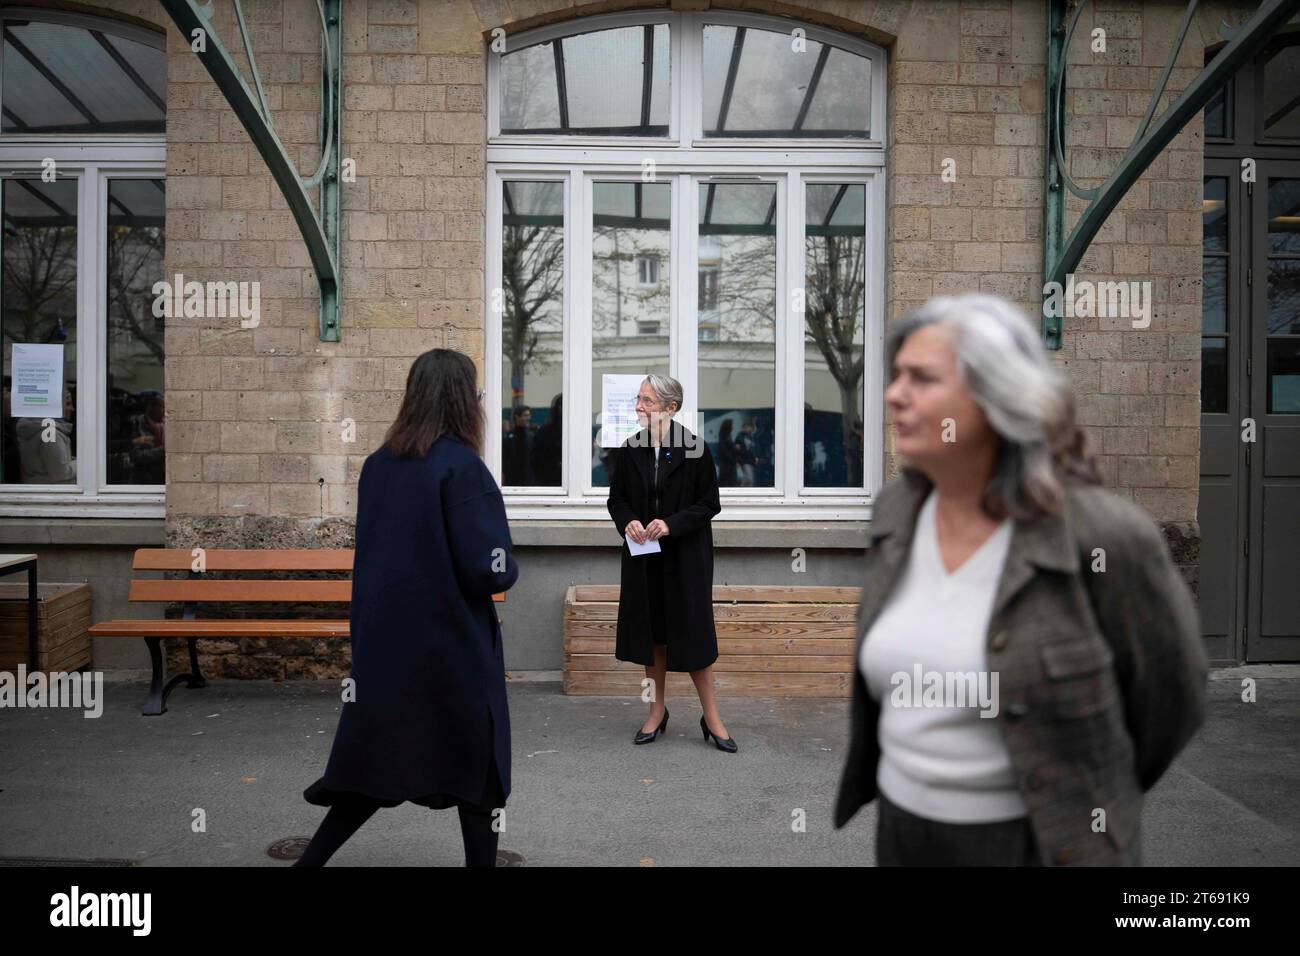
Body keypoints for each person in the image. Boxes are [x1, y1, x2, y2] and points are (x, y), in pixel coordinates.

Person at [833, 293, 1207, 866]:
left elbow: (1170, 701)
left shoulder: (1104, 535)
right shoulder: (897, 512)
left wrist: (1086, 797)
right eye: (896, 374)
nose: (893, 394)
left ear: (996, 397)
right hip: (904, 835)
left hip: (1041, 847)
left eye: (923, 378)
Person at [297, 348, 519, 867]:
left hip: (385, 644)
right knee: (477, 767)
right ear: (465, 401)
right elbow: (489, 569)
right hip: (451, 645)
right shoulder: (463, 468)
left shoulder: (379, 465)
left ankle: (309, 863)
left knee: (377, 765)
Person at [606, 374, 736, 753]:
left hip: (685, 559)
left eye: (647, 401)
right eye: (638, 399)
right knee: (652, 636)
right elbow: (617, 500)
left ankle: (711, 717)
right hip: (644, 557)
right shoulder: (631, 448)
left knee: (694, 639)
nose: (638, 407)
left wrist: (671, 524)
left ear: (670, 408)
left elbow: (709, 504)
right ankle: (656, 711)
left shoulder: (695, 449)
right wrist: (627, 520)